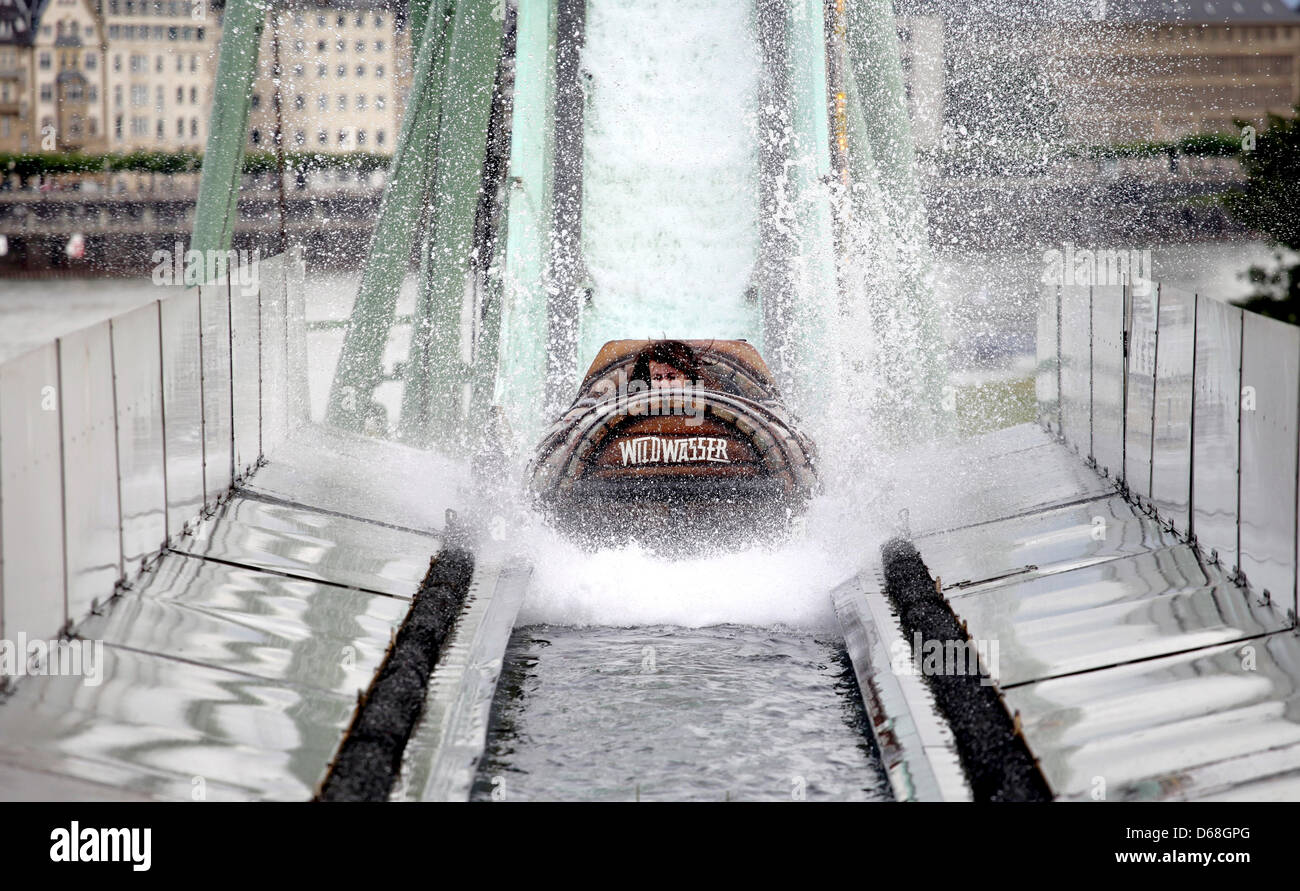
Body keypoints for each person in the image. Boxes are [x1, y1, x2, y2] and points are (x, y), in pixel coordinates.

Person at [629, 339, 704, 391]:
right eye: (657, 378)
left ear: (688, 378)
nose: (664, 386)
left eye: (672, 377)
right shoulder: (639, 407)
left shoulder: (705, 405)